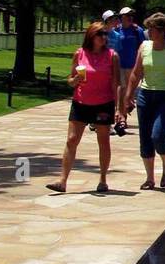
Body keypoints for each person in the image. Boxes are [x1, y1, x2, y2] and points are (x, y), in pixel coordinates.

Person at [46, 22, 121, 194]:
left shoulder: (112, 55)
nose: (103, 37)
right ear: (91, 36)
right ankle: (62, 181)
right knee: (71, 139)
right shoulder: (79, 54)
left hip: (103, 103)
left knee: (103, 141)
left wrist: (118, 108)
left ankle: (102, 179)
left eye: (105, 34)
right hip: (80, 102)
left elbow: (116, 83)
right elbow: (71, 79)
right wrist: (74, 81)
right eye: (99, 34)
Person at [125, 12, 165, 189]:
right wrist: (128, 95)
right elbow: (136, 73)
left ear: (162, 30)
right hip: (146, 95)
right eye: (148, 28)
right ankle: (150, 178)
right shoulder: (144, 46)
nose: (149, 32)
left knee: (158, 135)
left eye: (152, 28)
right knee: (145, 138)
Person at [108, 7, 145, 136]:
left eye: (131, 15)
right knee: (120, 89)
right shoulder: (116, 30)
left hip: (132, 65)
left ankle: (123, 117)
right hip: (118, 65)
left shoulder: (137, 31)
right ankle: (120, 116)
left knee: (128, 92)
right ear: (121, 17)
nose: (130, 18)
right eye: (127, 15)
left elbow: (143, 46)